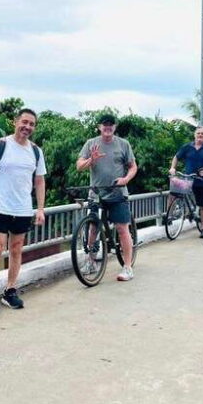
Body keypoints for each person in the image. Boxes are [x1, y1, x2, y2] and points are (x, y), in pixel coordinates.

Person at [0, 108, 46, 314]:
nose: (27, 127)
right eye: (24, 122)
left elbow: (40, 181)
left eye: (32, 124)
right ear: (15, 122)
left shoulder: (35, 151)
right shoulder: (1, 145)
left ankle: (10, 290)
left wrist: (40, 209)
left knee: (16, 249)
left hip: (23, 209)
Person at [76, 113, 138, 281]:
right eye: (105, 124)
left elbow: (133, 167)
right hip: (96, 193)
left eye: (111, 124)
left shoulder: (123, 144)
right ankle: (91, 261)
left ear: (114, 127)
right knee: (93, 228)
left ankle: (127, 267)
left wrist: (125, 179)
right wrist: (91, 160)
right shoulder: (91, 144)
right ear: (99, 127)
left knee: (122, 228)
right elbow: (79, 166)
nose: (108, 127)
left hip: (117, 193)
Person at [169, 126, 203, 239]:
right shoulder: (187, 147)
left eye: (202, 134)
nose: (200, 135)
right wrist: (173, 168)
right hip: (188, 179)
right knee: (174, 193)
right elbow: (176, 157)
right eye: (198, 133)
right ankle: (171, 216)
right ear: (194, 134)